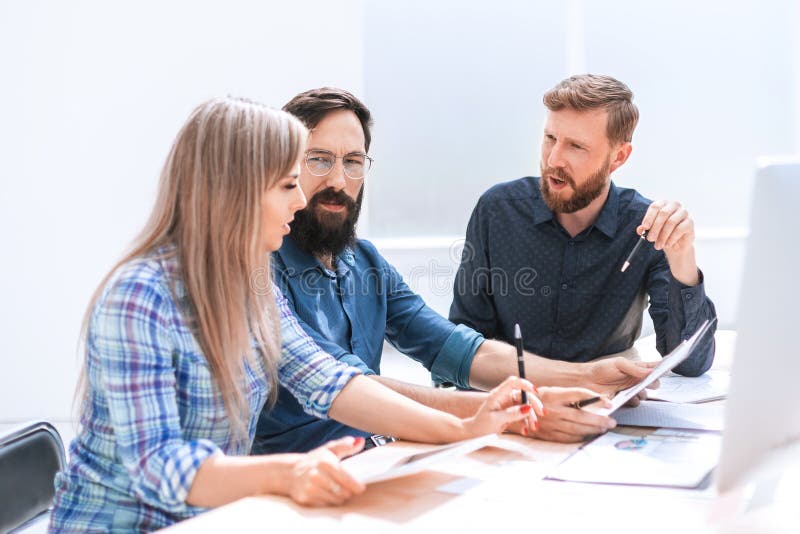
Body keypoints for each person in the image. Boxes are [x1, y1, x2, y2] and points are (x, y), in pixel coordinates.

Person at [48, 97, 541, 532]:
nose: (302, 199)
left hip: (221, 519)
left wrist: (467, 425)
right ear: (234, 193)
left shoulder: (251, 287)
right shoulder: (139, 298)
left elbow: (330, 381)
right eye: (288, 184)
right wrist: (286, 473)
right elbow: (158, 466)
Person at [254, 88, 659, 453]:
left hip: (380, 459)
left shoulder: (365, 262)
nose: (339, 180)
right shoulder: (259, 272)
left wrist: (586, 376)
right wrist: (502, 413)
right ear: (285, 167)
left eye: (353, 162)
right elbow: (346, 387)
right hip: (297, 481)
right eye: (319, 160)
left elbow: (456, 348)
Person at [449, 74, 717, 377]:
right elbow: (460, 347)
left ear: (618, 157)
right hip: (512, 405)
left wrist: (683, 258)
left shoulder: (647, 228)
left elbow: (691, 363)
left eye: (576, 146)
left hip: (609, 413)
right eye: (550, 138)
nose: (554, 159)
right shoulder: (497, 211)